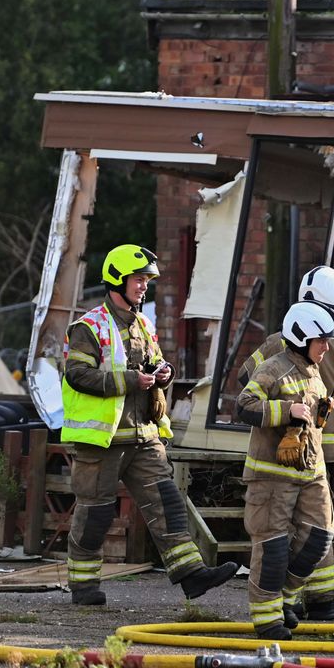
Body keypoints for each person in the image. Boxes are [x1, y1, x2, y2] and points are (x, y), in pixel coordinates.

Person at [61, 244, 238, 606]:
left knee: (167, 504)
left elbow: (154, 362)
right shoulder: (88, 327)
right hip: (103, 442)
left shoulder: (143, 323)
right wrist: (129, 381)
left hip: (144, 436)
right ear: (117, 280)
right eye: (139, 279)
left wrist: (164, 373)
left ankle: (191, 575)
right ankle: (83, 587)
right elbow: (77, 375)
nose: (144, 286)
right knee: (94, 514)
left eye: (146, 280)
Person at [239, 265, 334, 620]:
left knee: (308, 526)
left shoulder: (280, 341)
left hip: (297, 453)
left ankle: (312, 598)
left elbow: (246, 376)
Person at [236, 301, 334, 640]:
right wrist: (286, 410)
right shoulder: (273, 368)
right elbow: (244, 405)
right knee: (273, 546)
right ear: (301, 337)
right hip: (271, 478)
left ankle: (284, 597)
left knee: (320, 537)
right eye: (321, 340)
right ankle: (267, 619)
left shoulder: (313, 372)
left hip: (311, 475)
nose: (326, 347)